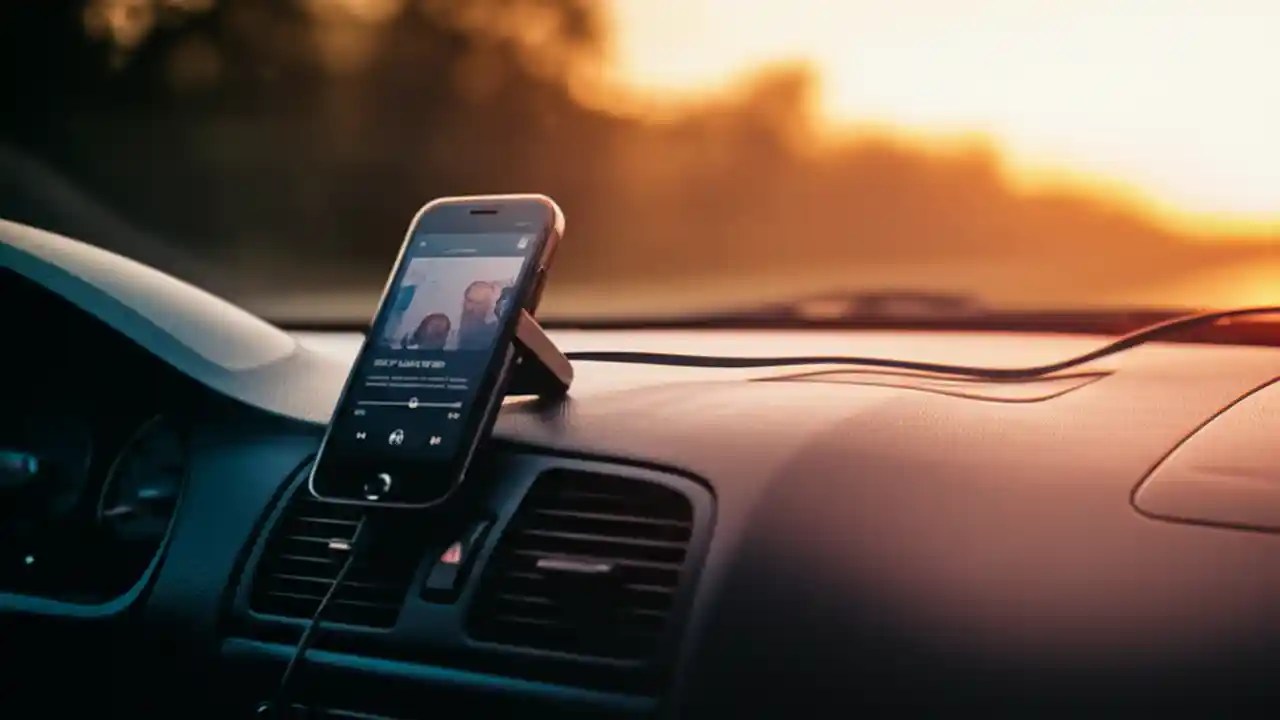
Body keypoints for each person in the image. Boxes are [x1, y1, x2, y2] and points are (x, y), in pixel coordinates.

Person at [457, 280, 499, 350]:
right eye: (469, 300)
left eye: (478, 303)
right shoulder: (447, 336)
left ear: (488, 307)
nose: (469, 308)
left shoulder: (495, 336)